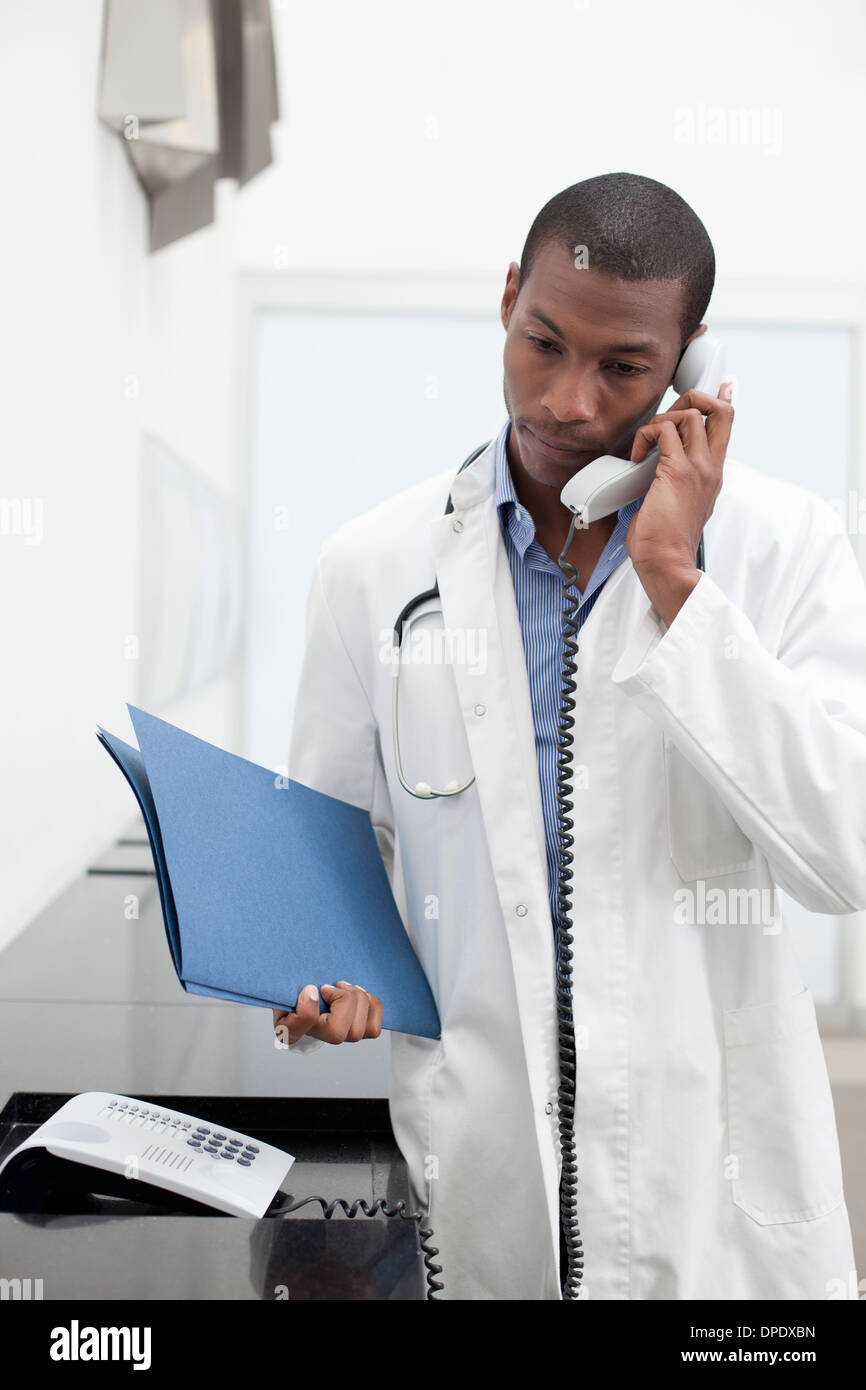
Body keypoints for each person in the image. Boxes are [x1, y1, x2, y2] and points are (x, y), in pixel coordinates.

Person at [273, 172, 865, 1300]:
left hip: (715, 1212)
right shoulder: (373, 569)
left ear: (690, 366)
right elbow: (338, 855)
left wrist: (680, 587)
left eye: (623, 369)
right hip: (484, 1184)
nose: (565, 401)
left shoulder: (780, 551)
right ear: (506, 299)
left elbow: (843, 854)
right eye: (542, 342)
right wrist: (324, 978)